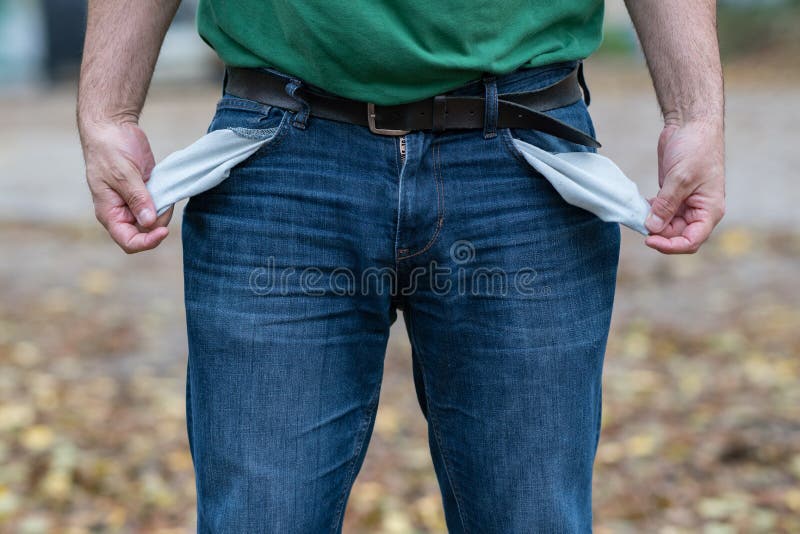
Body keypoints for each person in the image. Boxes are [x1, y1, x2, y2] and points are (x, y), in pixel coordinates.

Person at [77, 1, 725, 532]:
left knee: (532, 518)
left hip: (524, 155)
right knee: (259, 518)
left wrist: (696, 113)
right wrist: (108, 110)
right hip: (282, 152)